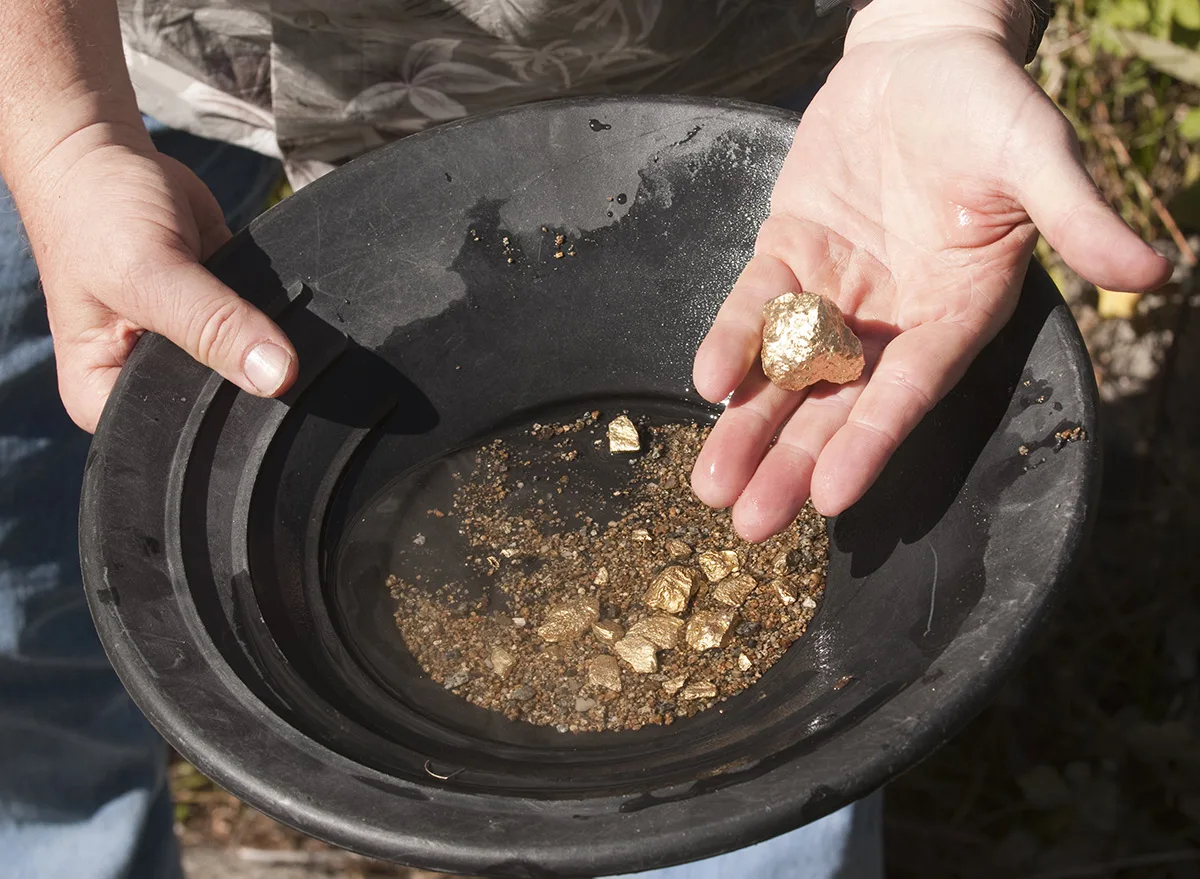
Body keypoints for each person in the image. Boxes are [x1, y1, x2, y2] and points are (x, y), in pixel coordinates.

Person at [0, 1, 1170, 877]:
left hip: (697, 64)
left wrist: (943, 21)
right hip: (137, 50)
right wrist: (58, 128)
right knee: (39, 608)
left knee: (739, 781)